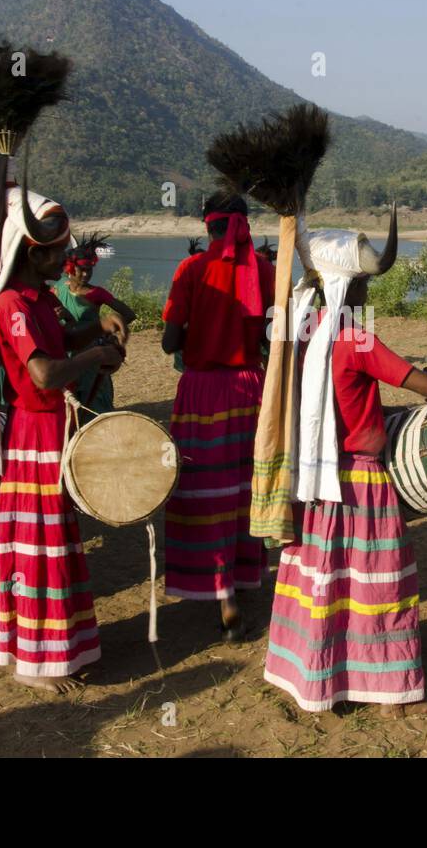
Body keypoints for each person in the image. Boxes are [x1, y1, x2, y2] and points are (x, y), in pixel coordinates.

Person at [263, 212, 427, 715]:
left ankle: (314, 676)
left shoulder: (304, 332)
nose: (367, 294)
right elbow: (425, 385)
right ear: (347, 285)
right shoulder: (355, 337)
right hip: (359, 481)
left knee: (325, 581)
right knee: (379, 581)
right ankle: (388, 689)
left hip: (315, 478)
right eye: (364, 283)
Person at [0, 186, 123, 692]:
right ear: (32, 252)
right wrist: (95, 359)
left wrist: (96, 329)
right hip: (34, 432)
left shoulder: (37, 299)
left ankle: (57, 648)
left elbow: (59, 343)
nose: (66, 259)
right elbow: (43, 373)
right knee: (36, 548)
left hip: (51, 431)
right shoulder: (12, 306)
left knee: (55, 544)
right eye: (58, 251)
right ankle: (31, 661)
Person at [160, 192, 273, 640]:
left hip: (203, 394)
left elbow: (170, 343)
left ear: (208, 227)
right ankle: (243, 581)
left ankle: (222, 591)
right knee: (245, 488)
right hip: (249, 391)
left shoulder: (190, 270)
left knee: (206, 491)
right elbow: (274, 336)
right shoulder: (263, 270)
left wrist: (195, 330)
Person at [52, 232, 134, 416]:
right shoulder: (59, 287)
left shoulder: (97, 293)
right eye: (82, 270)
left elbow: (128, 314)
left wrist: (107, 331)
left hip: (89, 349)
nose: (86, 274)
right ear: (70, 269)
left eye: (90, 269)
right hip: (66, 348)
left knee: (93, 397)